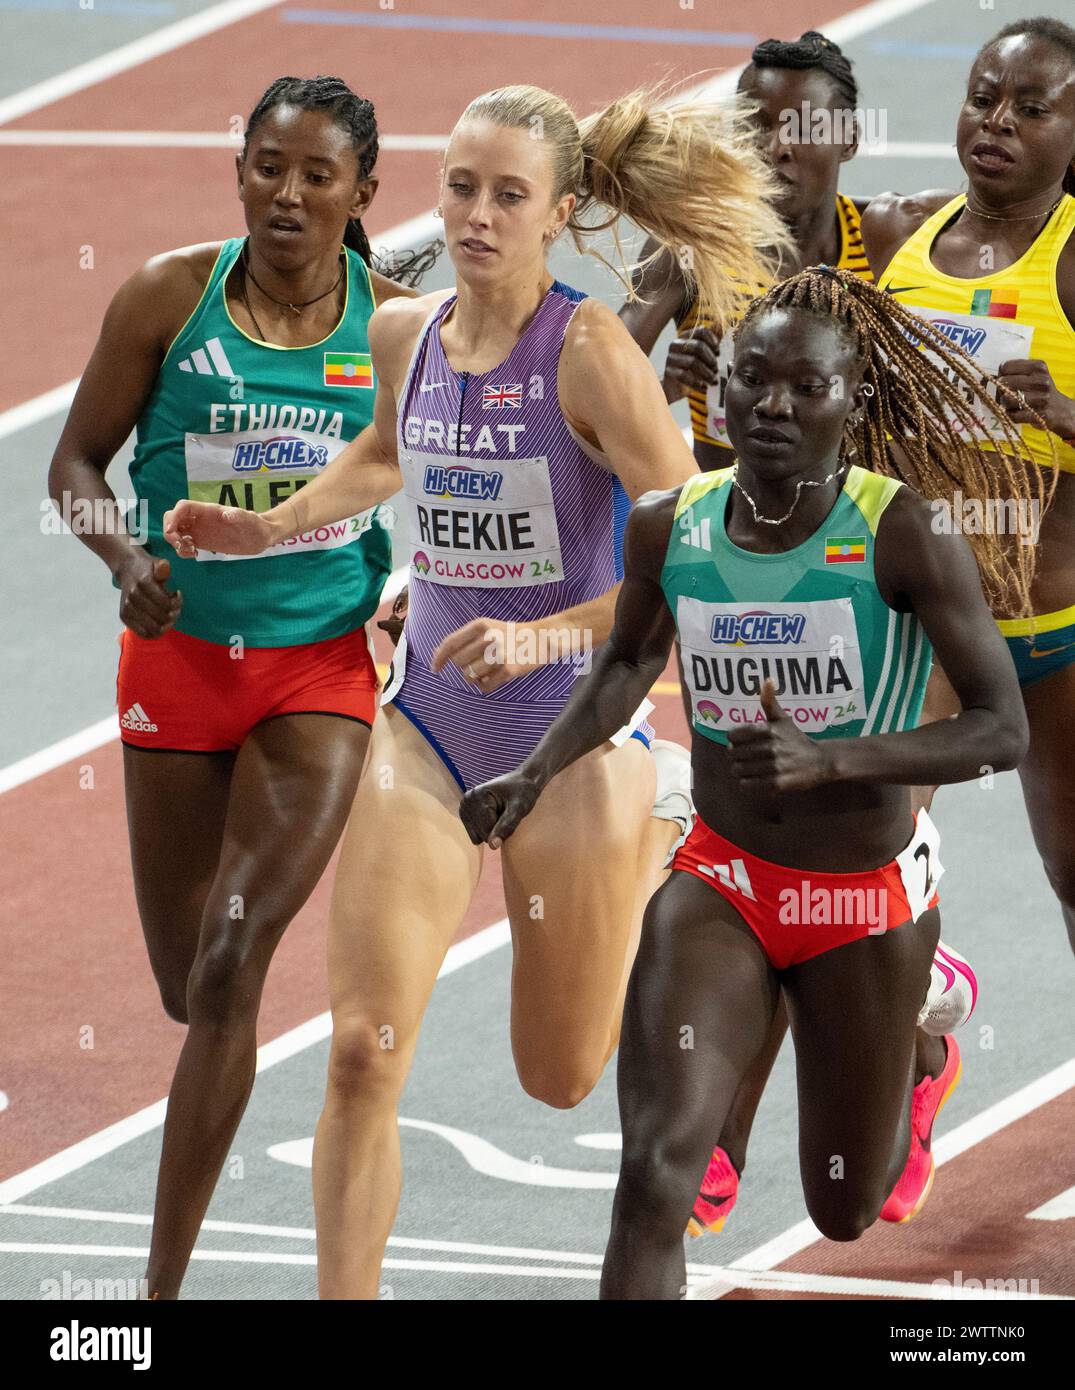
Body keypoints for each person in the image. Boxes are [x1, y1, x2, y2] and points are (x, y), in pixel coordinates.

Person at [164, 80, 787, 1298]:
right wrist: (269, 527)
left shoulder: (593, 353)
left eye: (509, 195)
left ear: (558, 213)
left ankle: (660, 814)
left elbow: (692, 560)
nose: (477, 216)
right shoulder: (406, 333)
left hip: (565, 743)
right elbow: (388, 456)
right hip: (429, 734)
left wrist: (548, 636)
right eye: (460, 188)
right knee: (358, 1053)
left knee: (558, 1076)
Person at [460, 265, 1039, 1299]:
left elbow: (1002, 727)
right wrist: (535, 771)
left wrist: (837, 759)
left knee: (841, 1206)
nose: (771, 404)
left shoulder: (903, 531)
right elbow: (629, 661)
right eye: (751, 380)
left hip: (860, 902)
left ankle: (919, 1041)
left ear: (847, 404)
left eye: (802, 387)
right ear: (718, 390)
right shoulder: (667, 524)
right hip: (722, 882)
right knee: (653, 1178)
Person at [47, 75, 436, 1301]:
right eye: (268, 165)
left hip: (316, 670)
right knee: (185, 984)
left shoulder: (393, 324)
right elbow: (72, 461)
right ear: (240, 172)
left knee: (229, 958)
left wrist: (422, 585)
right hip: (175, 661)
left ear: (363, 193)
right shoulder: (168, 295)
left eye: (318, 174)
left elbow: (483, 467)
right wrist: (125, 556)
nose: (288, 192)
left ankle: (157, 1294)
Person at [863, 16, 1075, 948]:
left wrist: (1068, 417)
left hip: (1054, 630)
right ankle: (911, 1058)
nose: (995, 121)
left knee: (1073, 881)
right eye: (982, 98)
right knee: (868, 875)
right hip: (925, 629)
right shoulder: (894, 230)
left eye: (1030, 109)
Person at [620, 31, 870, 474]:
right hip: (726, 530)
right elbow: (595, 390)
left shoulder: (883, 238)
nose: (777, 149)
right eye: (755, 126)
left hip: (848, 530)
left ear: (848, 139)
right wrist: (664, 391)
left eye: (804, 127)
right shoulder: (693, 245)